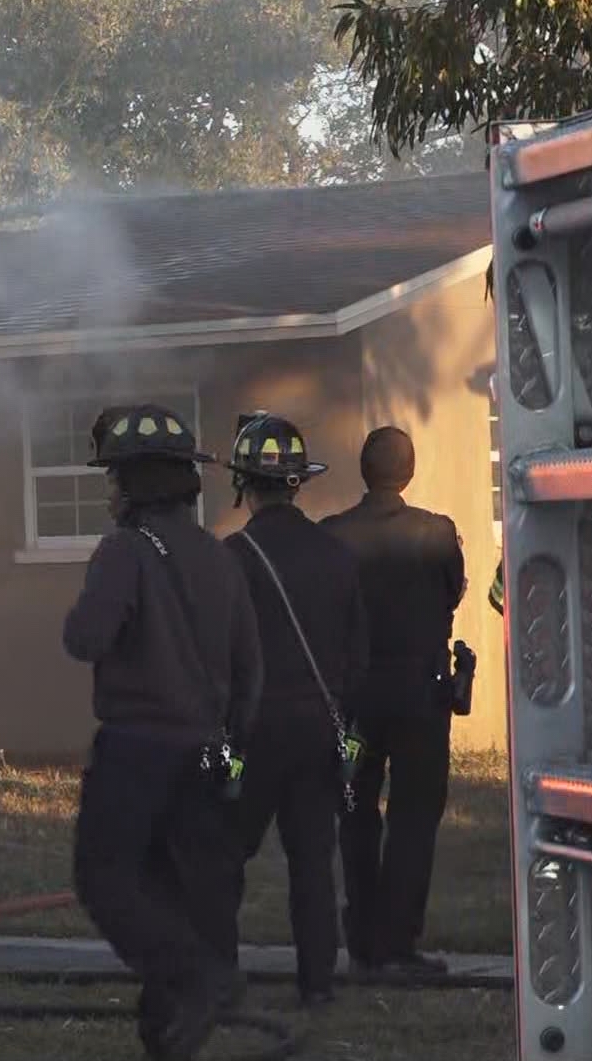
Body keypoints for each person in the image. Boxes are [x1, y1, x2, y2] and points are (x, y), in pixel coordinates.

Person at [63, 403, 263, 1061]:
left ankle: (196, 975)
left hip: (136, 751)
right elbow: (250, 671)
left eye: (115, 476)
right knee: (170, 888)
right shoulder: (217, 556)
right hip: (205, 752)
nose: (110, 489)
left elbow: (86, 637)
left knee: (106, 878)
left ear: (135, 484)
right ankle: (168, 1033)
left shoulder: (124, 551)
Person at [222, 412, 369, 1008]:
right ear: (295, 484)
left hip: (253, 734)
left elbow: (219, 654)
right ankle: (317, 986)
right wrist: (346, 733)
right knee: (312, 862)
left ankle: (218, 980)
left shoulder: (233, 555)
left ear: (245, 486)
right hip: (319, 731)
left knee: (224, 857)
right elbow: (358, 658)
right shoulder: (336, 554)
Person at [322, 426, 467, 976]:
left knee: (356, 814)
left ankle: (361, 937)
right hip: (418, 701)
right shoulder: (436, 533)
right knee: (412, 818)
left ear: (364, 472)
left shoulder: (331, 535)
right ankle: (397, 943)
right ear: (407, 474)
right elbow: (454, 591)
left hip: (352, 700)